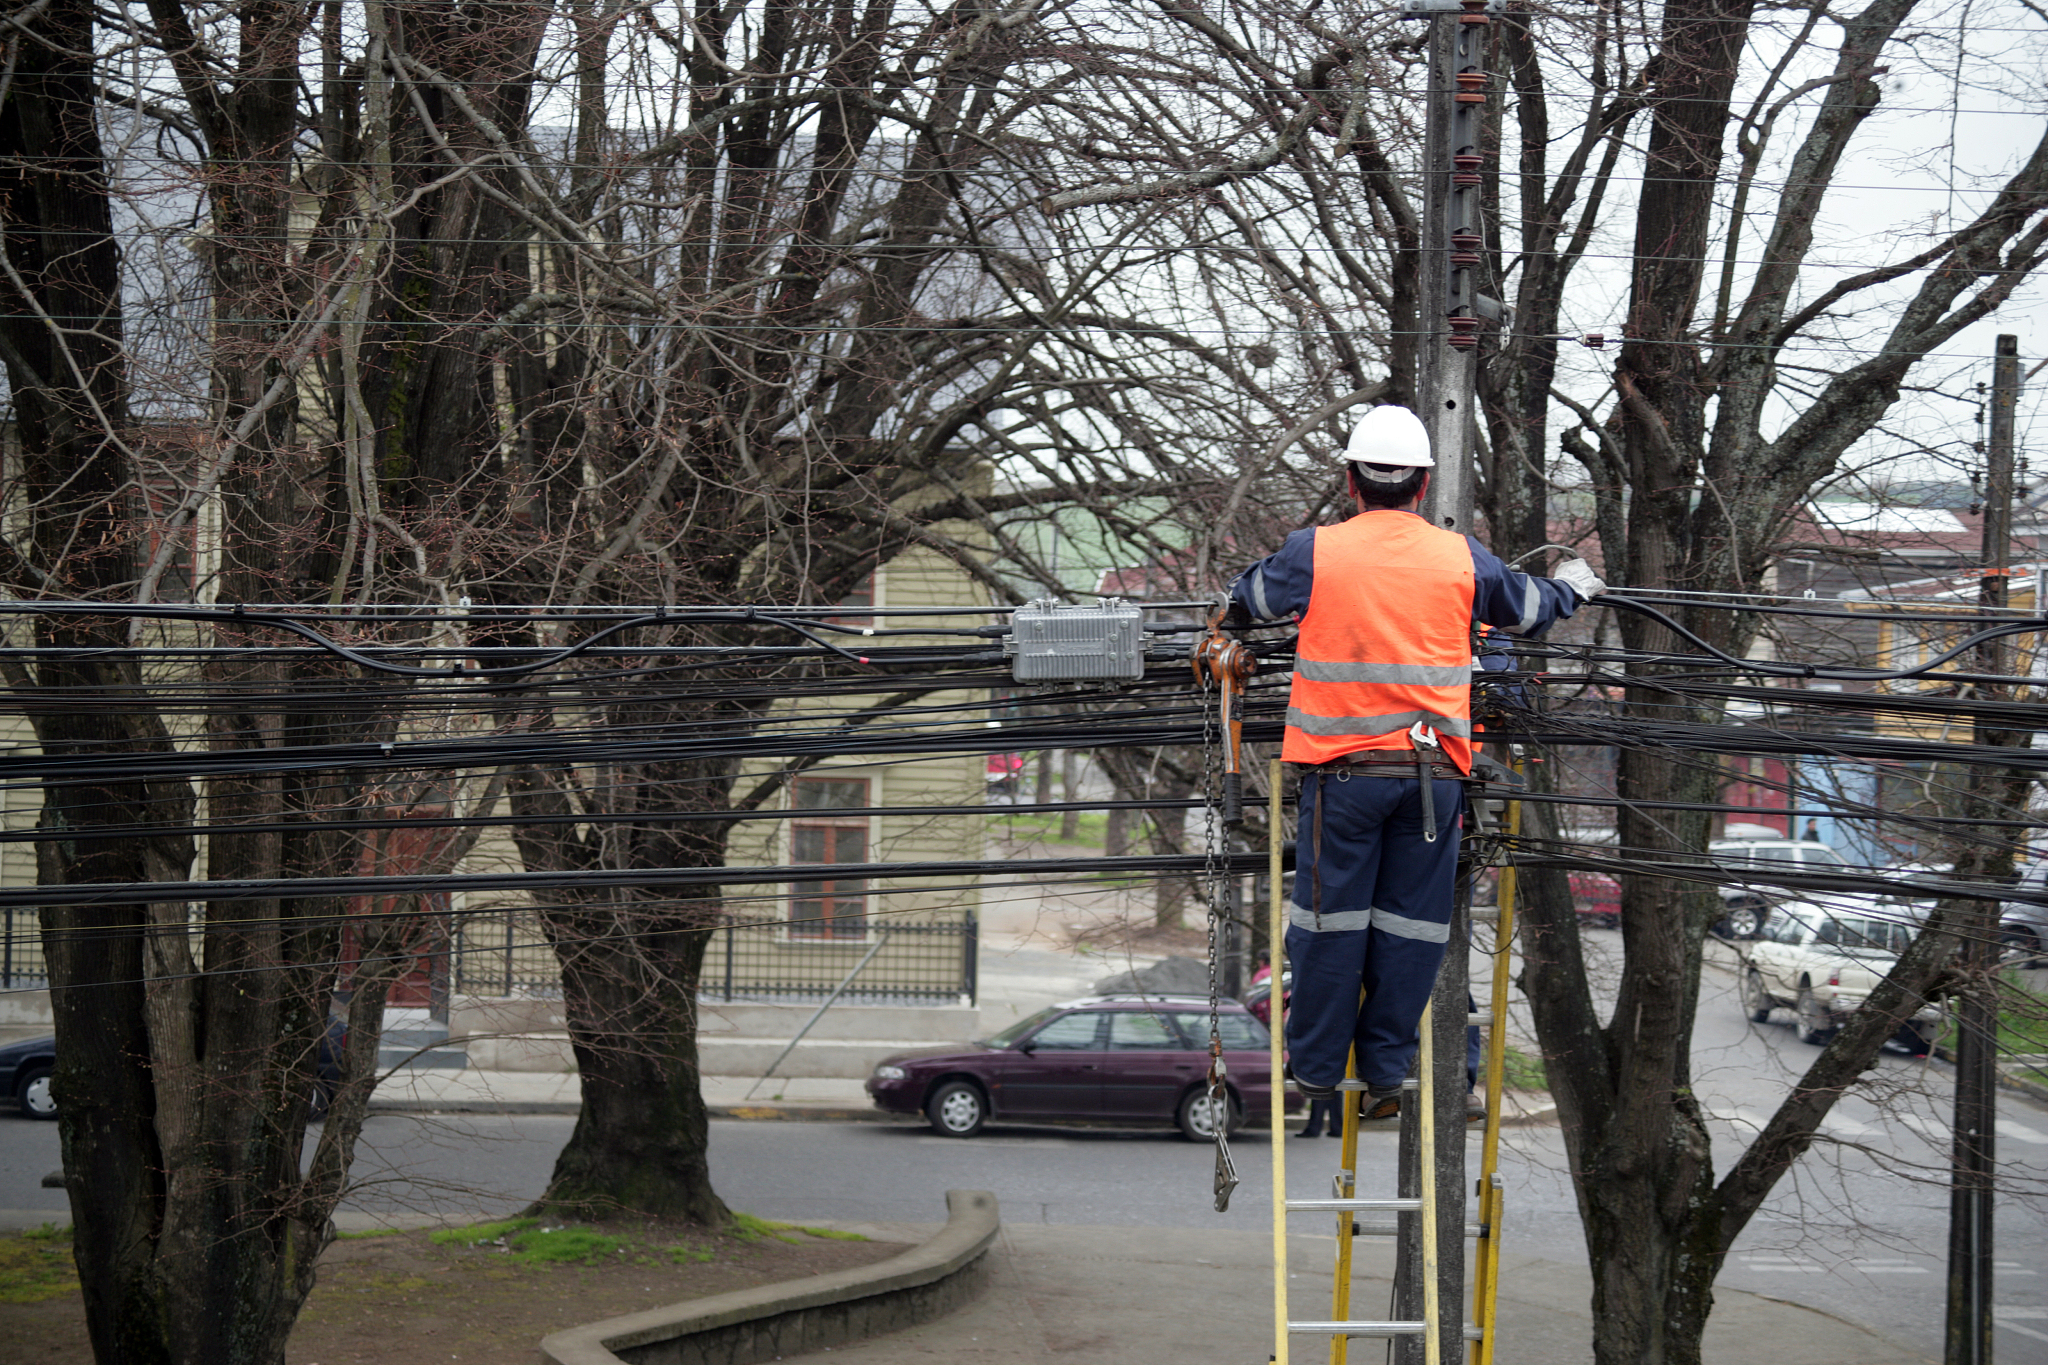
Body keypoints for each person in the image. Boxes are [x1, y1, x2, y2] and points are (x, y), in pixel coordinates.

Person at [1225, 405, 1605, 1121]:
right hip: (1431, 783)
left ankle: (1316, 1069)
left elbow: (1252, 599)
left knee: (1330, 924)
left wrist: (1237, 610)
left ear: (1351, 480)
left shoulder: (1316, 551)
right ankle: (1384, 1071)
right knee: (1412, 930)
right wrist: (1574, 587)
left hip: (1343, 777)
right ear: (1423, 485)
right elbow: (1529, 608)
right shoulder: (1462, 557)